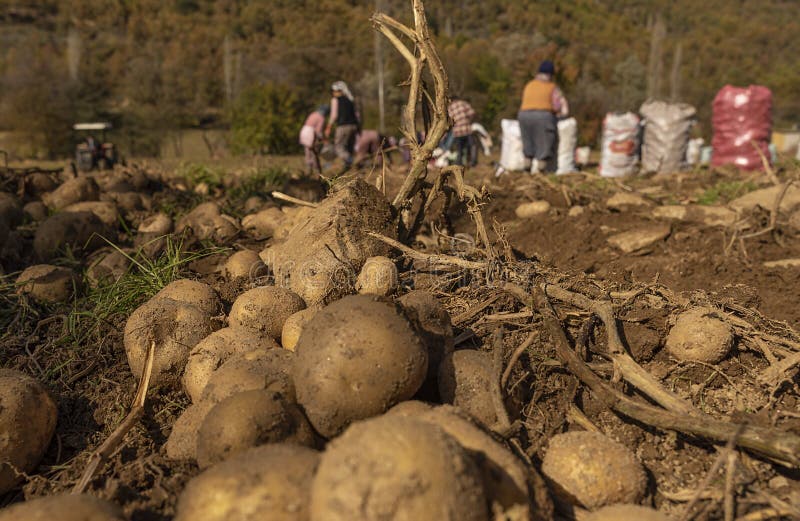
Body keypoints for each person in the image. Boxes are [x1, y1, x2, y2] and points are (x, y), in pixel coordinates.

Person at [518, 60, 569, 173]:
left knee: (528, 140)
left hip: (523, 115)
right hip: (542, 116)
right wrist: (561, 115)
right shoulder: (551, 86)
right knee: (545, 140)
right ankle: (541, 168)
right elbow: (558, 105)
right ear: (550, 74)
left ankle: (527, 165)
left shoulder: (529, 85)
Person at [325, 81, 360, 168]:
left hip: (342, 126)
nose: (333, 93)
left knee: (338, 147)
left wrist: (328, 126)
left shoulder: (335, 100)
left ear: (339, 91)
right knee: (349, 147)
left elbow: (334, 115)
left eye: (334, 91)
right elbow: (357, 115)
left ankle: (351, 161)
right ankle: (349, 165)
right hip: (354, 126)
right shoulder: (351, 100)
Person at [299, 105, 329, 174]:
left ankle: (309, 169)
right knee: (314, 152)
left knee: (307, 152)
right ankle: (317, 170)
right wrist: (323, 139)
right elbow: (318, 131)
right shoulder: (321, 118)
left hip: (304, 131)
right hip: (310, 134)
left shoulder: (313, 114)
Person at [447, 96, 476, 166]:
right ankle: (472, 162)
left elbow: (449, 121)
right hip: (467, 129)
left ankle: (459, 163)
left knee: (459, 148)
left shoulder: (449, 108)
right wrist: (468, 120)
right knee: (472, 146)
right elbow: (472, 113)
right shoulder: (463, 103)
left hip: (457, 132)